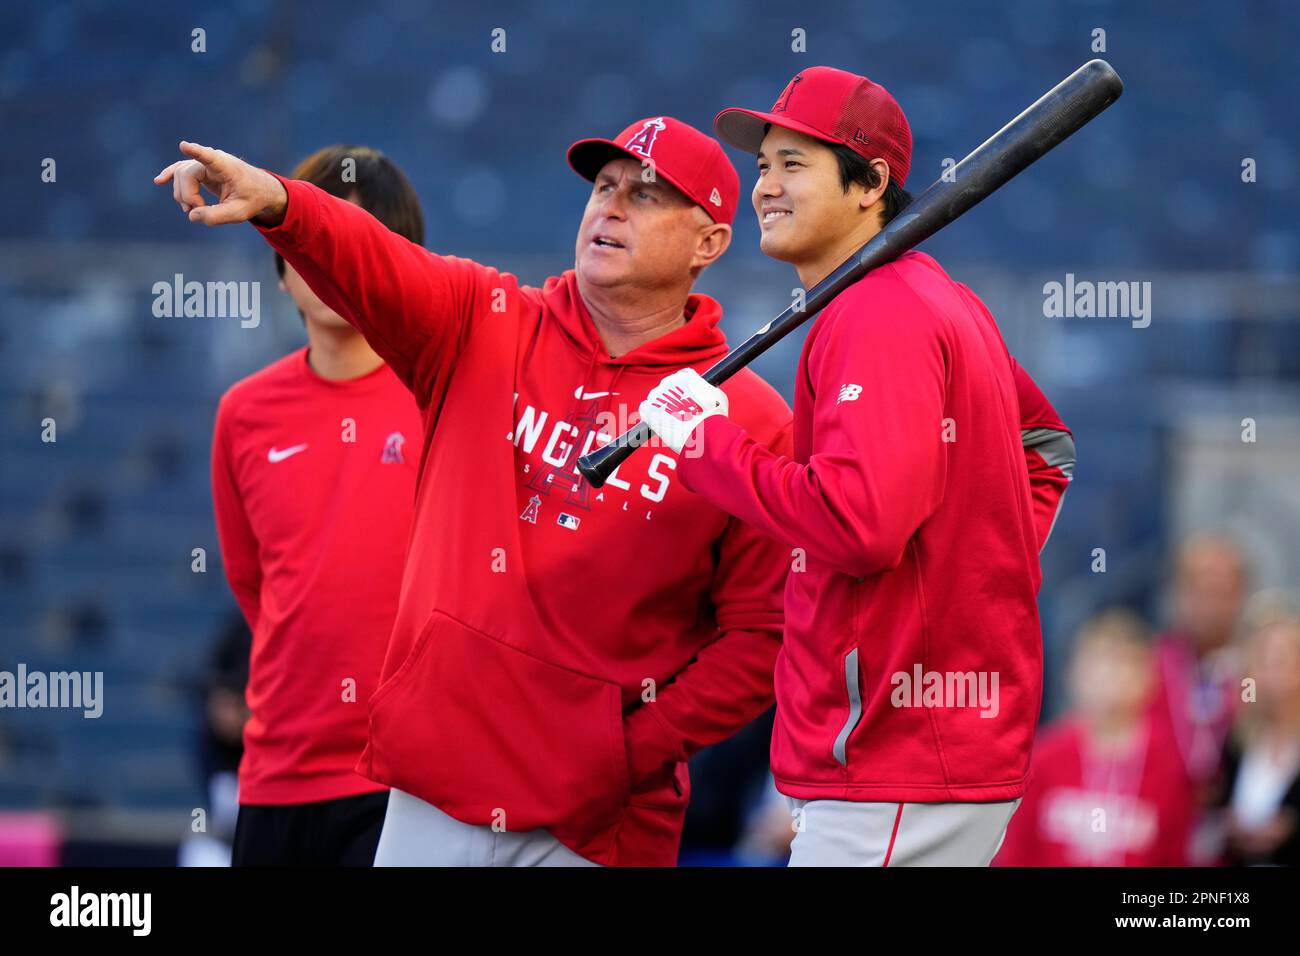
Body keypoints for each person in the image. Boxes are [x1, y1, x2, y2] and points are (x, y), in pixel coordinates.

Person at [156, 116, 793, 866]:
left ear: (708, 243)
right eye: (604, 186)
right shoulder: (483, 319)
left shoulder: (749, 419)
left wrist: (624, 751)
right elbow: (373, 259)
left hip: (601, 825)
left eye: (648, 196)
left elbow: (761, 636)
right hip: (434, 789)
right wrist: (278, 202)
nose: (612, 207)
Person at [639, 66, 1074, 866]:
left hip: (895, 758)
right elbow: (1046, 448)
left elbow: (860, 526)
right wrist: (975, 568)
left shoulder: (878, 311)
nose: (765, 185)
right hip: (917, 758)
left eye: (794, 164)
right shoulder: (934, 298)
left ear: (871, 182)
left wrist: (704, 443)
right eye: (763, 165)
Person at [208, 146, 425, 865]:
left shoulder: (447, 399)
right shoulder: (244, 413)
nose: (328, 263)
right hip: (278, 775)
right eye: (312, 237)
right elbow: (255, 587)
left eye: (349, 240)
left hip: (412, 779)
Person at [993, 610, 1195, 866]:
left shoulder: (1170, 765)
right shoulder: (1043, 756)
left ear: (1150, 679)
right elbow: (1016, 855)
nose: (1113, 675)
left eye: (1127, 662)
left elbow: (1175, 856)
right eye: (1101, 662)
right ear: (1074, 674)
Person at [1209, 592, 1300, 866]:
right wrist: (1229, 825)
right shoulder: (1238, 737)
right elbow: (1217, 807)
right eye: (1265, 657)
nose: (1275, 670)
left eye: (1285, 656)